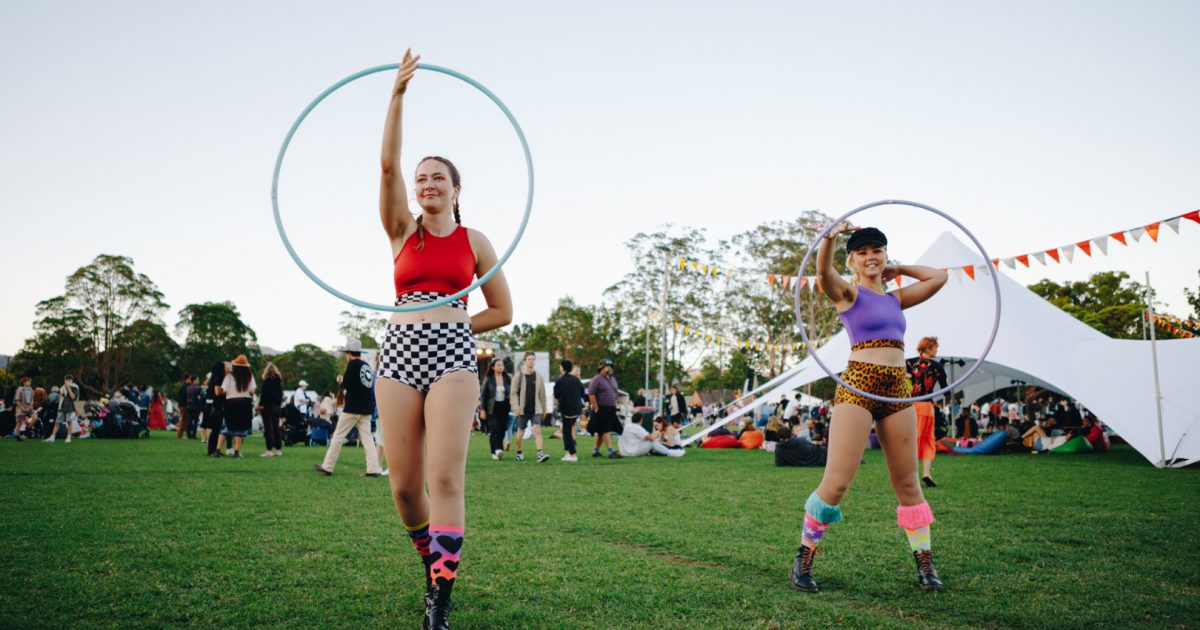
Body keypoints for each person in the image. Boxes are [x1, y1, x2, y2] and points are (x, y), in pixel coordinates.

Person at [373, 50, 513, 630]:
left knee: (445, 477)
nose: (427, 184)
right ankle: (433, 560)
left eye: (438, 178)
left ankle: (441, 597)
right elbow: (386, 167)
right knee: (406, 490)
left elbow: (502, 310)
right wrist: (398, 94)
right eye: (422, 178)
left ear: (456, 189)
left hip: (452, 358)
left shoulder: (474, 240)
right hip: (399, 354)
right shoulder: (402, 230)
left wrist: (456, 322)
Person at [790, 223, 949, 594]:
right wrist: (829, 237)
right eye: (862, 252)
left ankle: (925, 564)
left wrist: (899, 270)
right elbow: (822, 273)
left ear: (885, 255)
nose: (870, 256)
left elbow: (939, 277)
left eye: (877, 250)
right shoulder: (848, 294)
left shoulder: (895, 299)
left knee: (909, 482)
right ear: (852, 260)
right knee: (838, 481)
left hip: (897, 387)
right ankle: (804, 557)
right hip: (858, 383)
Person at [314, 340, 382, 476]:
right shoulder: (366, 366)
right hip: (366, 408)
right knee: (368, 439)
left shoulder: (352, 365)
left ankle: (328, 466)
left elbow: (346, 385)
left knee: (338, 436)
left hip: (352, 408)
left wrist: (340, 380)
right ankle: (373, 469)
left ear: (348, 353)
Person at [906, 337, 948, 487]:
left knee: (912, 440)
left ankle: (912, 474)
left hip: (909, 405)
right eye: (935, 347)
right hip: (926, 407)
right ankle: (926, 473)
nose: (936, 350)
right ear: (928, 348)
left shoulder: (908, 363)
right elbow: (945, 388)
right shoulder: (937, 367)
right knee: (927, 440)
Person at [509, 351, 549, 463]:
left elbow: (542, 394)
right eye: (529, 359)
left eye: (533, 359)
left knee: (537, 430)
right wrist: (515, 407)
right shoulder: (518, 376)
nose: (531, 361)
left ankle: (540, 454)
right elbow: (513, 393)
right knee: (520, 431)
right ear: (525, 361)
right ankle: (519, 453)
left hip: (536, 409)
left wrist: (544, 409)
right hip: (522, 410)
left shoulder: (539, 376)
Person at [216, 355, 255, 458]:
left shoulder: (229, 377)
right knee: (241, 429)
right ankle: (237, 452)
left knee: (226, 427)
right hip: (244, 404)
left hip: (231, 404)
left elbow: (223, 390)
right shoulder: (249, 375)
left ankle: (217, 450)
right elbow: (252, 391)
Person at [587, 359, 622, 459]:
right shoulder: (596, 379)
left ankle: (595, 451)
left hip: (611, 408)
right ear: (601, 367)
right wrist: (596, 408)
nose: (609, 368)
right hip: (602, 408)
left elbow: (615, 393)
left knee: (602, 431)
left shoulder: (613, 379)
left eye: (611, 366)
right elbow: (591, 394)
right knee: (606, 430)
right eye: (607, 366)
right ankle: (611, 451)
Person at [479, 358, 511, 461]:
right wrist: (482, 409)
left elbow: (512, 392)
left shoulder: (507, 378)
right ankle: (494, 451)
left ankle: (499, 450)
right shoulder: (489, 379)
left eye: (502, 365)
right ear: (493, 367)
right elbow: (483, 395)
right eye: (498, 365)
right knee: (494, 429)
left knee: (502, 429)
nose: (501, 367)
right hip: (492, 407)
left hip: (504, 407)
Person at [553, 359, 585, 462]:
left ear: (562, 368)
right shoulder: (576, 379)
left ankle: (572, 454)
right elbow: (582, 393)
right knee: (569, 430)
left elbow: (556, 394)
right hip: (576, 409)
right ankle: (568, 452)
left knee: (566, 432)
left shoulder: (560, 380)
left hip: (566, 409)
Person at [618, 415, 683, 457]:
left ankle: (663, 452)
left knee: (654, 444)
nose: (656, 427)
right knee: (651, 442)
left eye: (656, 425)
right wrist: (655, 438)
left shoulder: (627, 426)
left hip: (624, 451)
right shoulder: (637, 427)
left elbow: (669, 442)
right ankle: (669, 453)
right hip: (631, 452)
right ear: (641, 420)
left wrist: (656, 438)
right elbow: (651, 438)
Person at [259, 363, 284, 457]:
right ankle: (278, 450)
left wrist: (261, 405)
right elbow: (281, 395)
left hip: (268, 407)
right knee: (276, 428)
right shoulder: (279, 382)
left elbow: (264, 395)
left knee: (268, 429)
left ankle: (269, 450)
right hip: (277, 407)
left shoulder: (266, 382)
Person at [45, 375, 79, 443]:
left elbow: (73, 397)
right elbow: (60, 397)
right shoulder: (62, 388)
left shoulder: (74, 388)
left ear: (72, 381)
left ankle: (69, 437)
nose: (68, 381)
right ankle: (52, 437)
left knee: (69, 422)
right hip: (61, 408)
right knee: (57, 422)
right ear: (65, 380)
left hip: (69, 407)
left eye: (70, 380)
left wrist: (69, 389)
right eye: (67, 380)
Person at [202, 362, 227, 456]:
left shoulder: (213, 378)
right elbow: (217, 392)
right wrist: (227, 392)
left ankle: (214, 450)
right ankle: (212, 450)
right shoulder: (218, 378)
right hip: (216, 407)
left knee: (215, 430)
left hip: (212, 406)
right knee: (216, 430)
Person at [175, 375, 192, 439]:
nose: (190, 381)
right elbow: (185, 397)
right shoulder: (184, 387)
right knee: (183, 420)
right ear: (186, 379)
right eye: (189, 379)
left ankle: (180, 435)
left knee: (183, 420)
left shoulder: (183, 386)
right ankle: (180, 435)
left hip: (182, 405)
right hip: (184, 406)